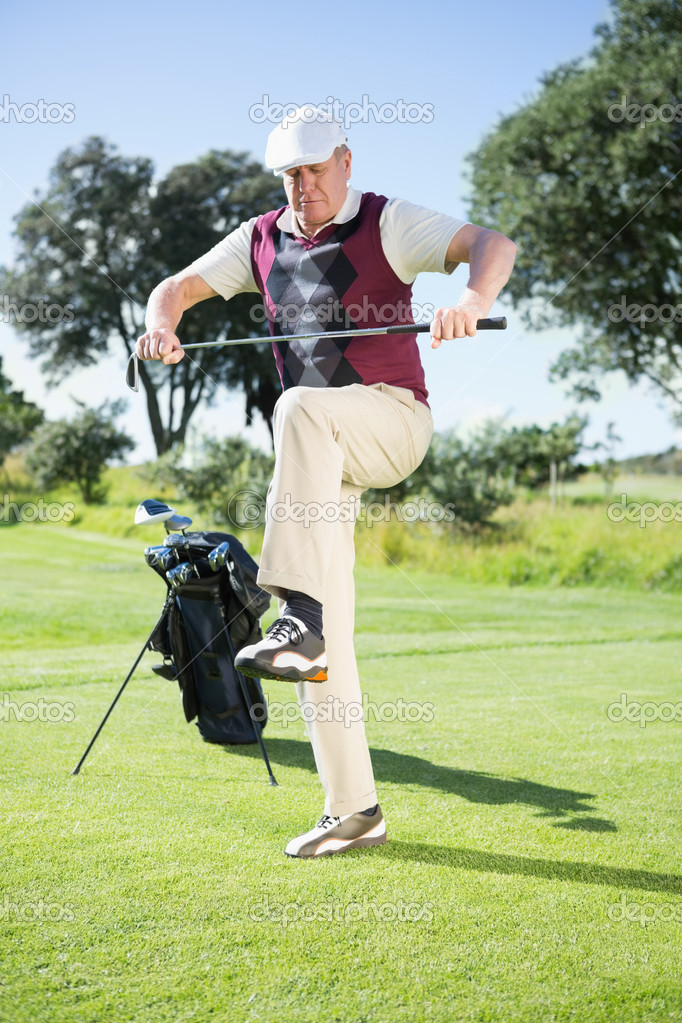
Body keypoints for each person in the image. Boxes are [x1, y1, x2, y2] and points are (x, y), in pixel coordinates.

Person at [135, 106, 516, 859]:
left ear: (344, 159)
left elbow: (489, 244)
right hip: (320, 452)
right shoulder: (261, 238)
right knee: (319, 641)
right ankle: (354, 809)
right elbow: (175, 287)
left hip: (390, 421)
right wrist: (161, 322)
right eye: (290, 173)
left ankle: (294, 611)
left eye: (314, 169)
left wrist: (473, 299)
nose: (302, 185)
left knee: (298, 404)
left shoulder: (387, 222)